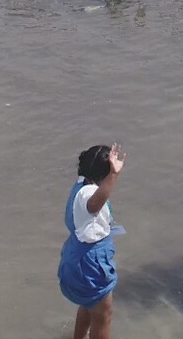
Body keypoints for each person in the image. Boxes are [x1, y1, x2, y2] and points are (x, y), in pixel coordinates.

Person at [58, 143, 125, 338]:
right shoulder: (89, 193)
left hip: (76, 255)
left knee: (88, 305)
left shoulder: (80, 185)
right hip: (91, 262)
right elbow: (95, 204)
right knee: (104, 316)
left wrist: (109, 173)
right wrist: (114, 174)